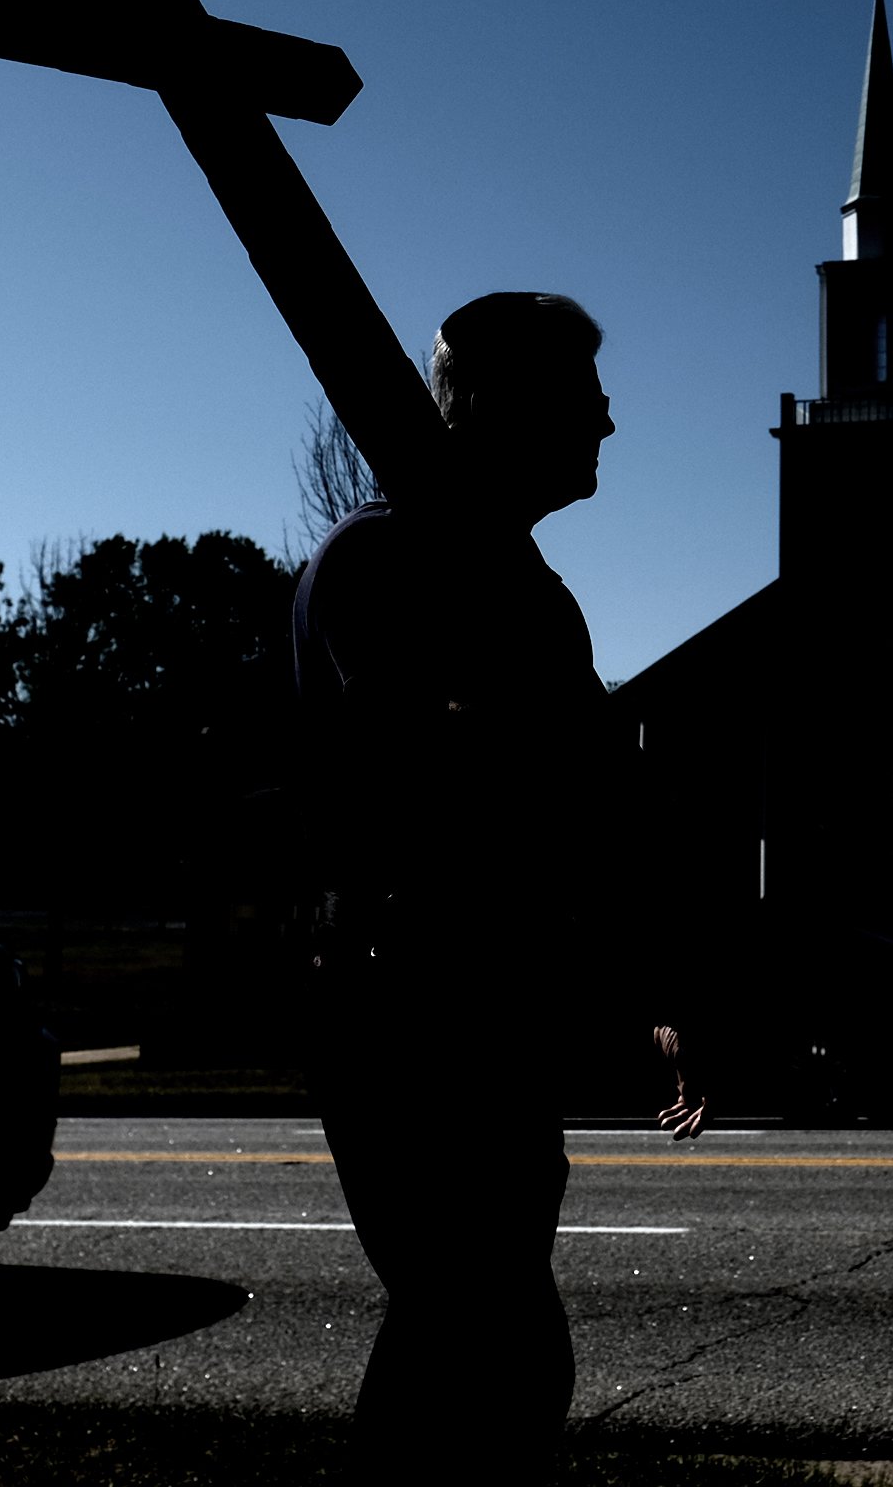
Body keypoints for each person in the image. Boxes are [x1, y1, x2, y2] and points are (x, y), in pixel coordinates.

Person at [292, 290, 708, 1478]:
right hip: (402, 1012)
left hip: (491, 1014)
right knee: (482, 1336)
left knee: (490, 1344)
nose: (610, 423)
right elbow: (445, 776)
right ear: (490, 404)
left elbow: (592, 813)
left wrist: (657, 985)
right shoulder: (378, 563)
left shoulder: (527, 588)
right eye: (583, 396)